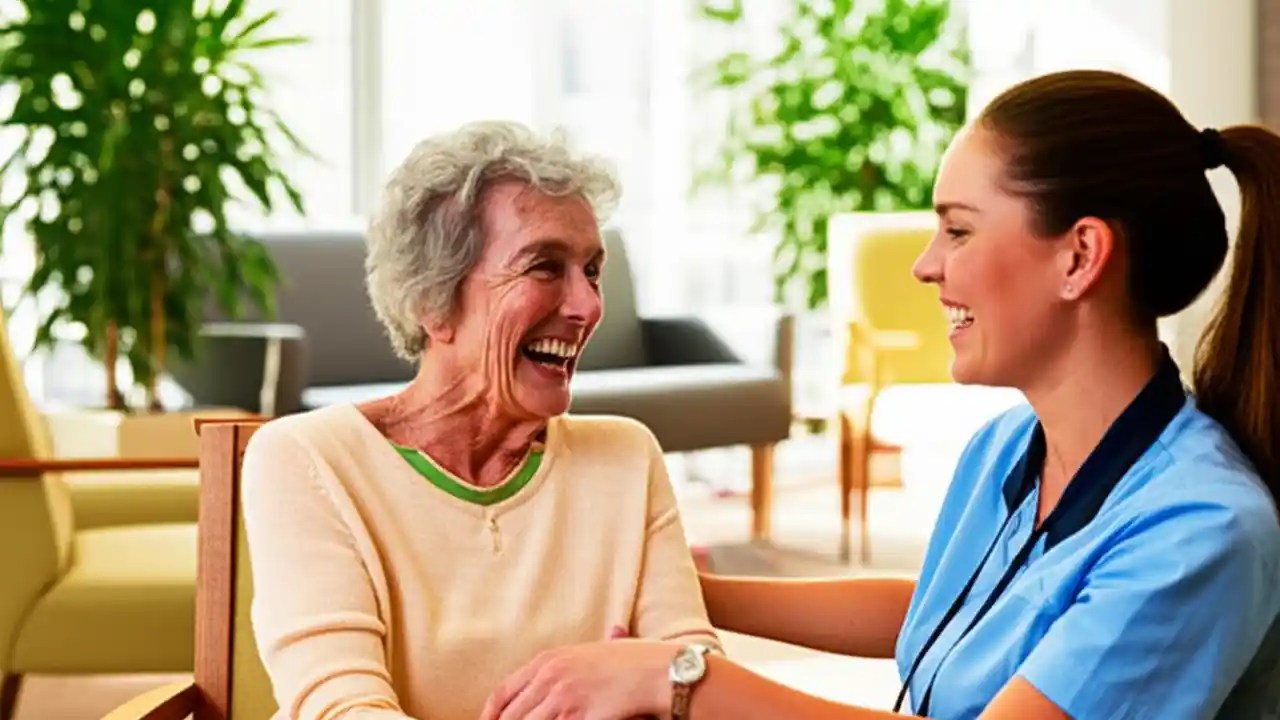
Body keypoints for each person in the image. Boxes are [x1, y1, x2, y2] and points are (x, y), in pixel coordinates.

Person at [479, 69, 1280, 719]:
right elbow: (943, 612)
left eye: (958, 230)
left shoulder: (1201, 530)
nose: (926, 265)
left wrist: (680, 680)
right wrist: (697, 593)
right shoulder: (1008, 446)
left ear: (1079, 257)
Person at [238, 121, 720, 720]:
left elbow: (689, 678)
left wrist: (665, 684)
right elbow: (343, 711)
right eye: (545, 267)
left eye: (592, 272)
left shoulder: (626, 457)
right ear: (433, 302)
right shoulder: (309, 460)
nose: (588, 305)